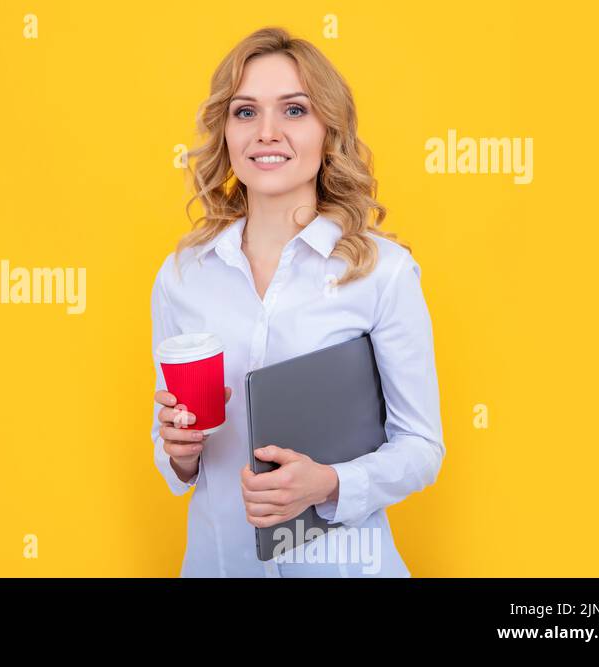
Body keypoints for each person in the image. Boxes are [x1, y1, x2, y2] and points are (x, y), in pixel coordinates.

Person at [150, 26, 445, 577]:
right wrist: (180, 451)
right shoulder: (182, 278)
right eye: (245, 112)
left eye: (293, 111)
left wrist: (331, 484)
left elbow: (422, 447)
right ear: (225, 132)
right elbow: (172, 456)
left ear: (328, 129)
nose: (267, 133)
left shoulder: (382, 273)